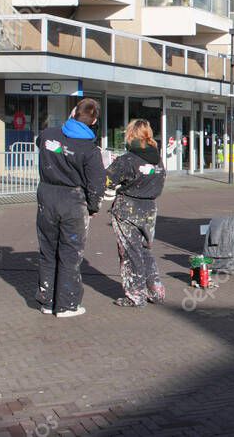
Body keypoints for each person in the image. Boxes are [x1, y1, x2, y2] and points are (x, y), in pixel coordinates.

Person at [36, 98, 105, 318]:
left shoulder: (49, 135)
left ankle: (47, 301)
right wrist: (93, 208)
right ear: (94, 121)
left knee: (48, 250)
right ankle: (66, 304)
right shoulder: (90, 150)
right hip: (73, 200)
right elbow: (96, 184)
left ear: (73, 112)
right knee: (70, 253)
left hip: (47, 196)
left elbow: (41, 142)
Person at [106, 119, 166, 307]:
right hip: (149, 210)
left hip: (128, 209)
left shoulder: (127, 160)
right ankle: (156, 290)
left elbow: (107, 180)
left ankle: (135, 295)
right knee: (145, 251)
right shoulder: (158, 160)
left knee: (130, 253)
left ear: (131, 135)